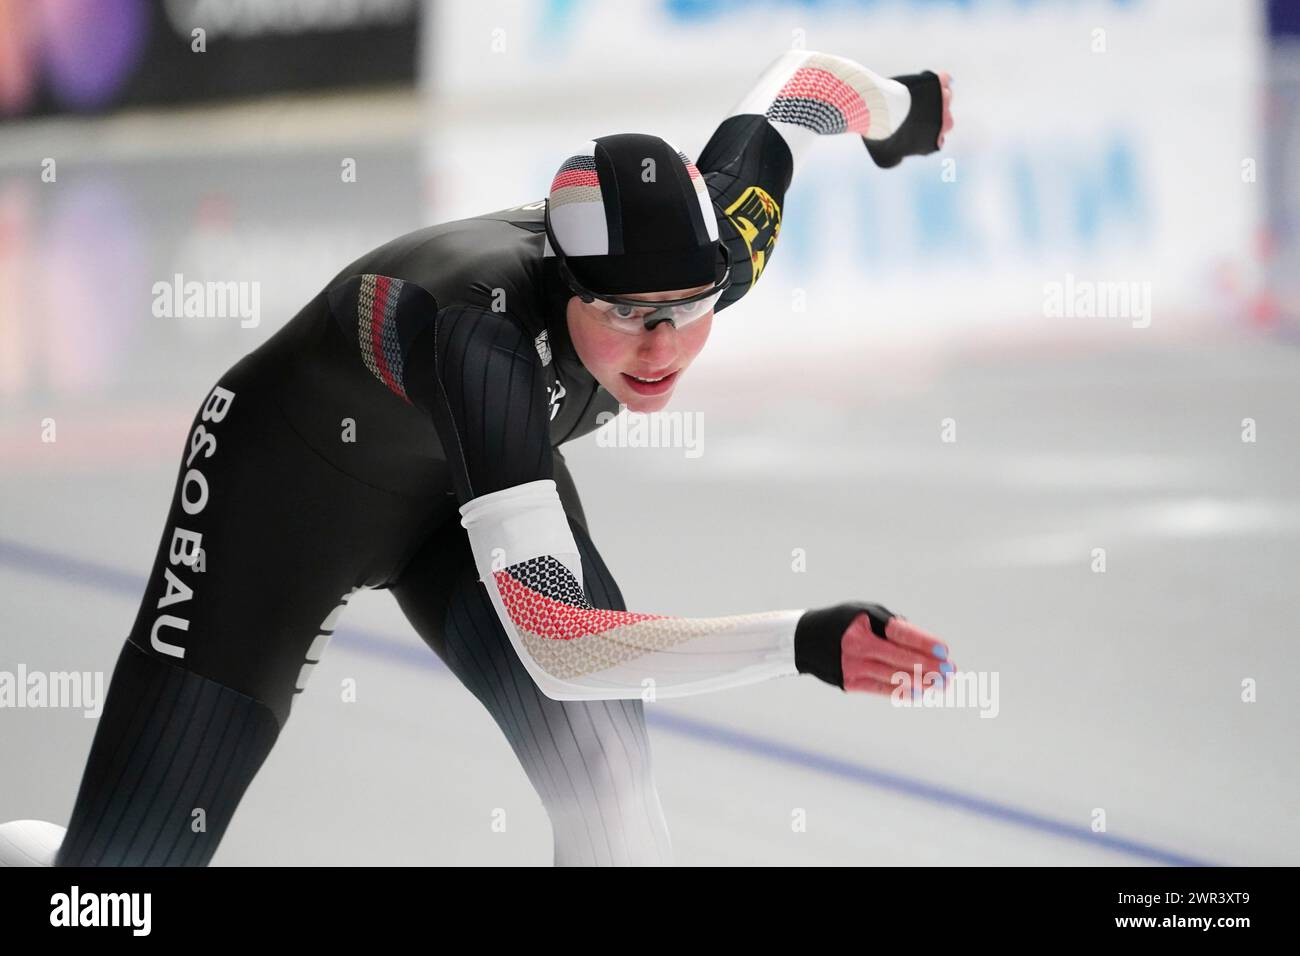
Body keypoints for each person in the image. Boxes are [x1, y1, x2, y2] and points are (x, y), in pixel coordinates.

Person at [31, 50, 956, 867]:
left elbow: (799, 90)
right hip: (280, 495)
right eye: (628, 315)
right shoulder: (481, 336)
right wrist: (796, 639)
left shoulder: (720, 237)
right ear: (565, 282)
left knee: (609, 785)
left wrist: (903, 112)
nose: (662, 347)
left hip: (465, 489)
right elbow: (560, 648)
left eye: (689, 308)